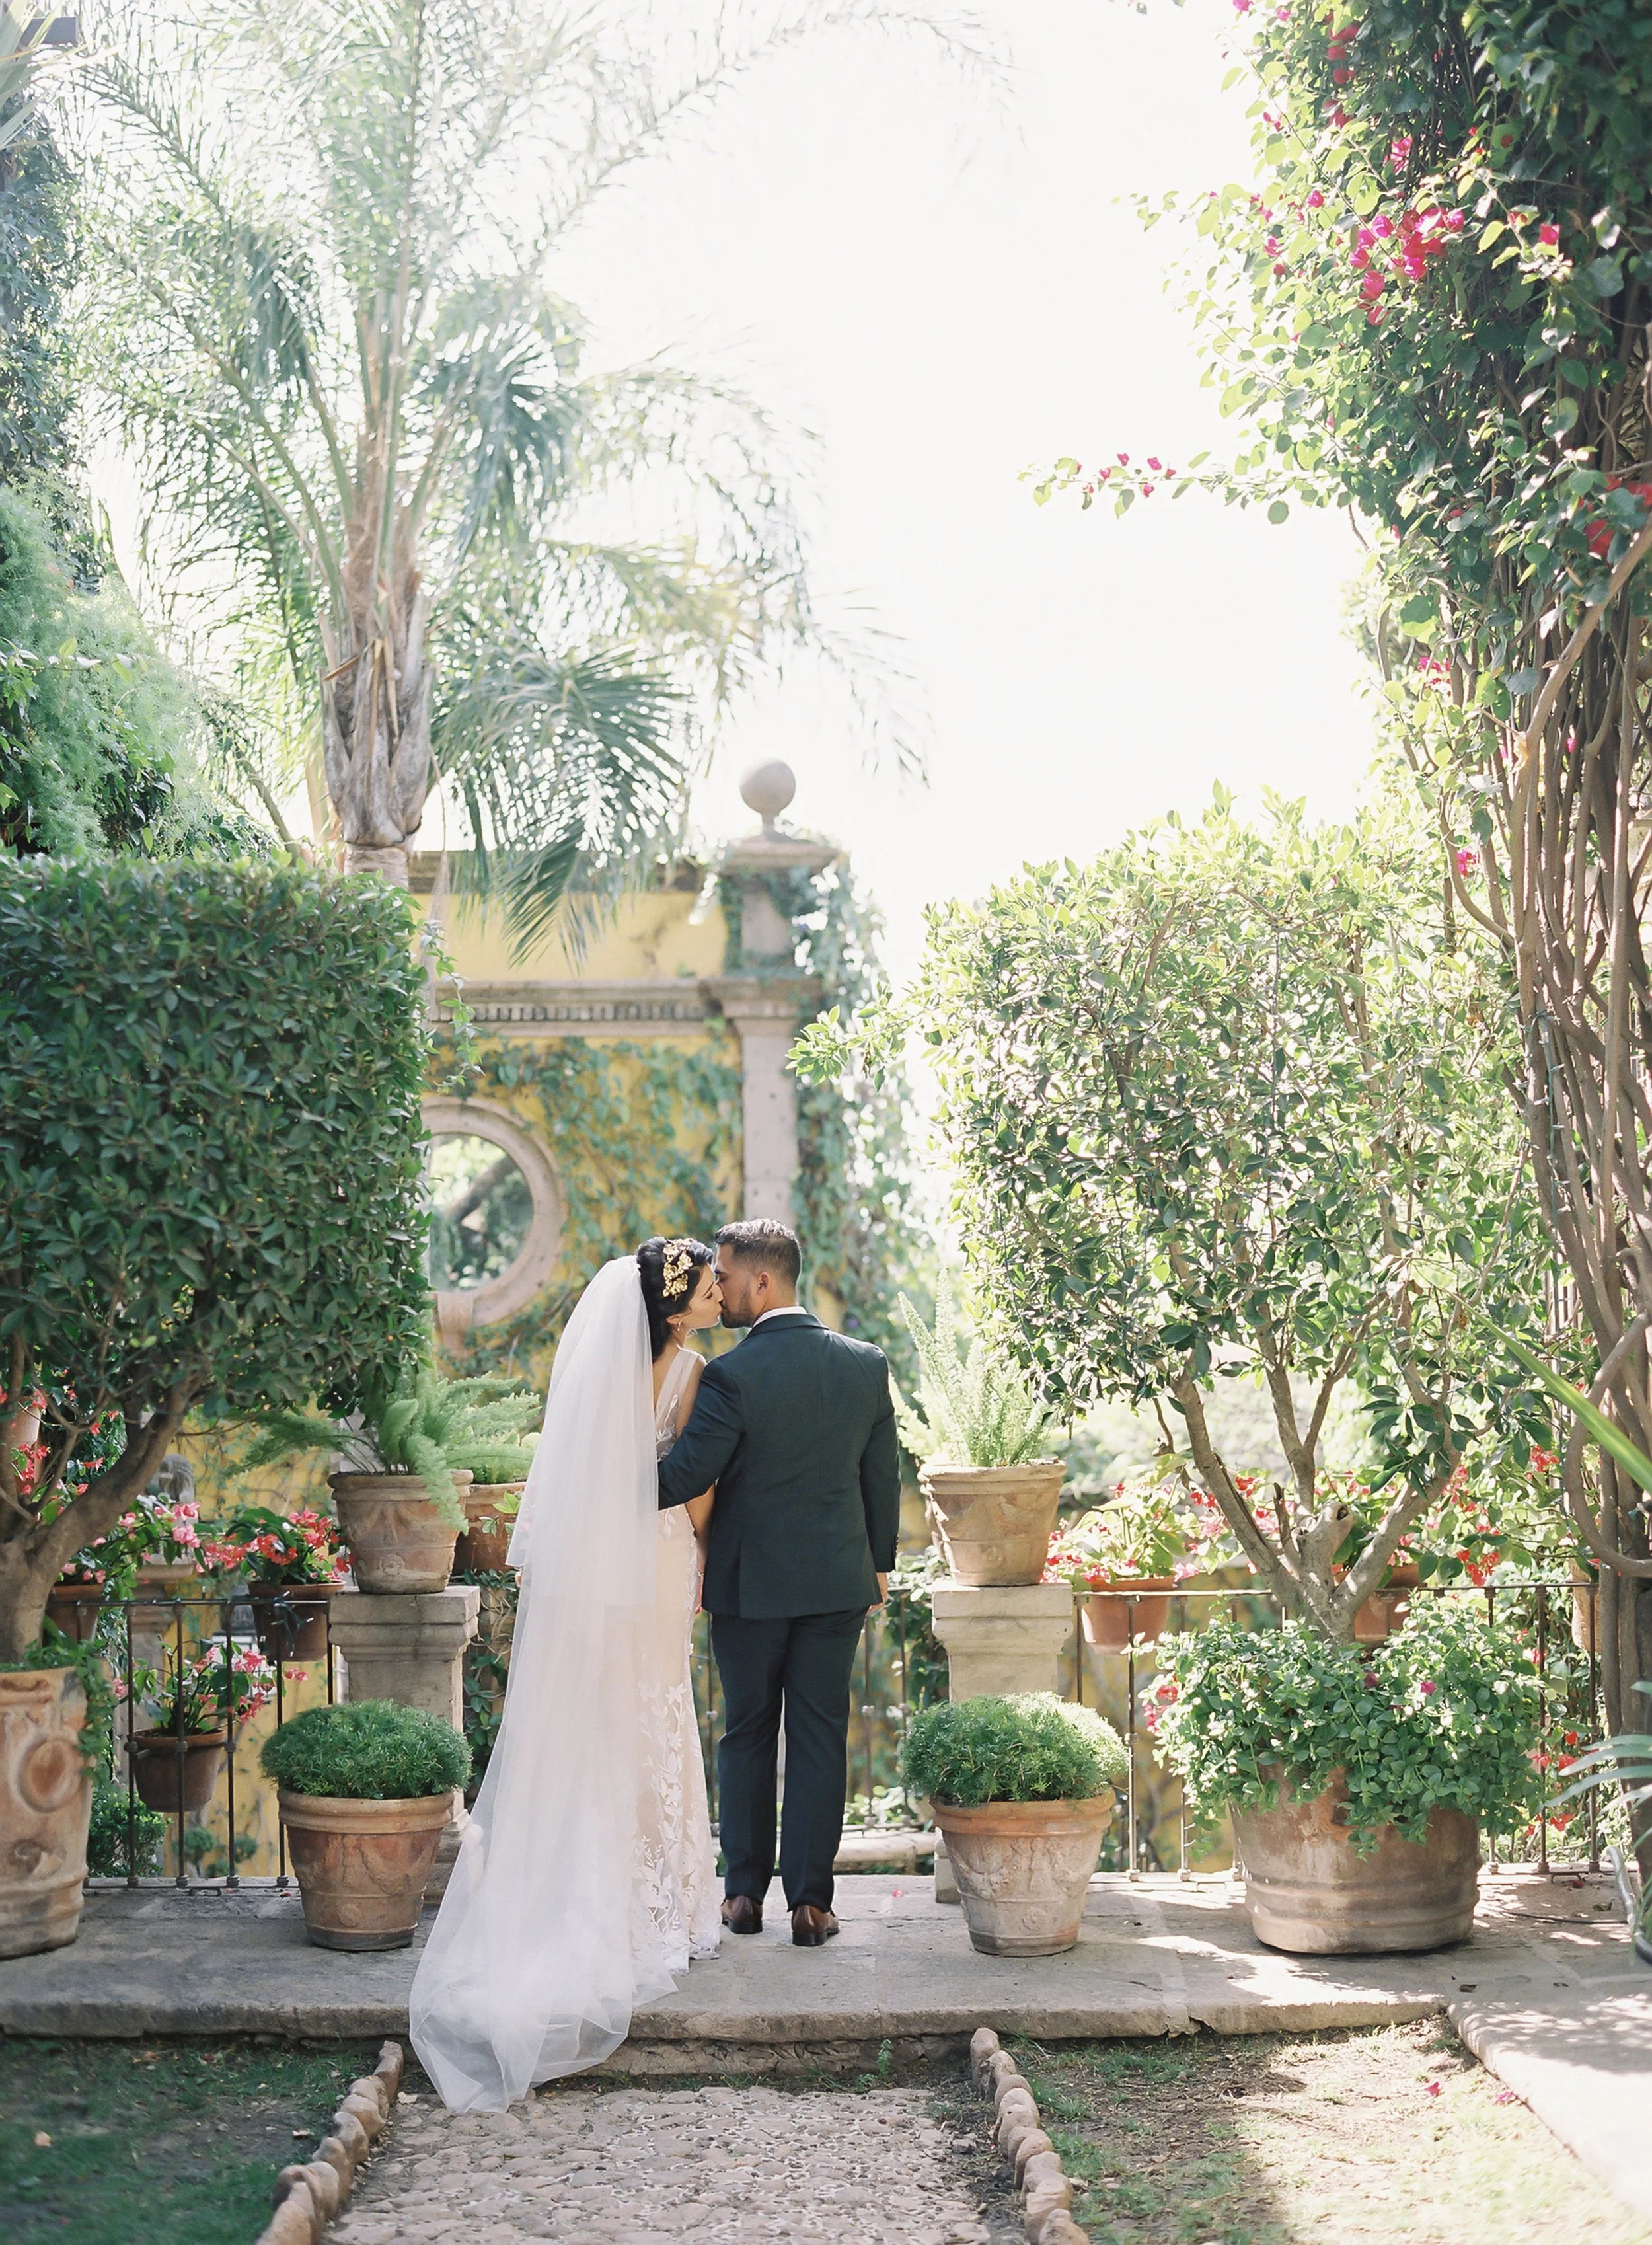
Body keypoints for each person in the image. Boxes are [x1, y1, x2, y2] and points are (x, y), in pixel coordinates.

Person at [409, 1239, 724, 2112]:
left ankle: (606, 1889)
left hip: (595, 1562)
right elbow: (693, 1490)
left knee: (602, 1712)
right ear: (676, 1304)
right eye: (705, 1285)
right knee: (659, 1707)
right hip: (659, 1556)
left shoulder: (591, 1372)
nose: (715, 1293)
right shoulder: (692, 1370)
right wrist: (708, 1538)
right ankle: (667, 1901)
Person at [657, 1218, 901, 1946]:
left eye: (725, 1276)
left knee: (748, 1733)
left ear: (762, 1281)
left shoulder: (730, 1375)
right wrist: (878, 1567)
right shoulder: (865, 1363)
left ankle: (741, 1896)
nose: (719, 1290)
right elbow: (880, 1477)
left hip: (748, 1584)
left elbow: (684, 1476)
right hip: (836, 1584)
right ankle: (811, 1904)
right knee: (823, 1734)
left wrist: (607, 1467)